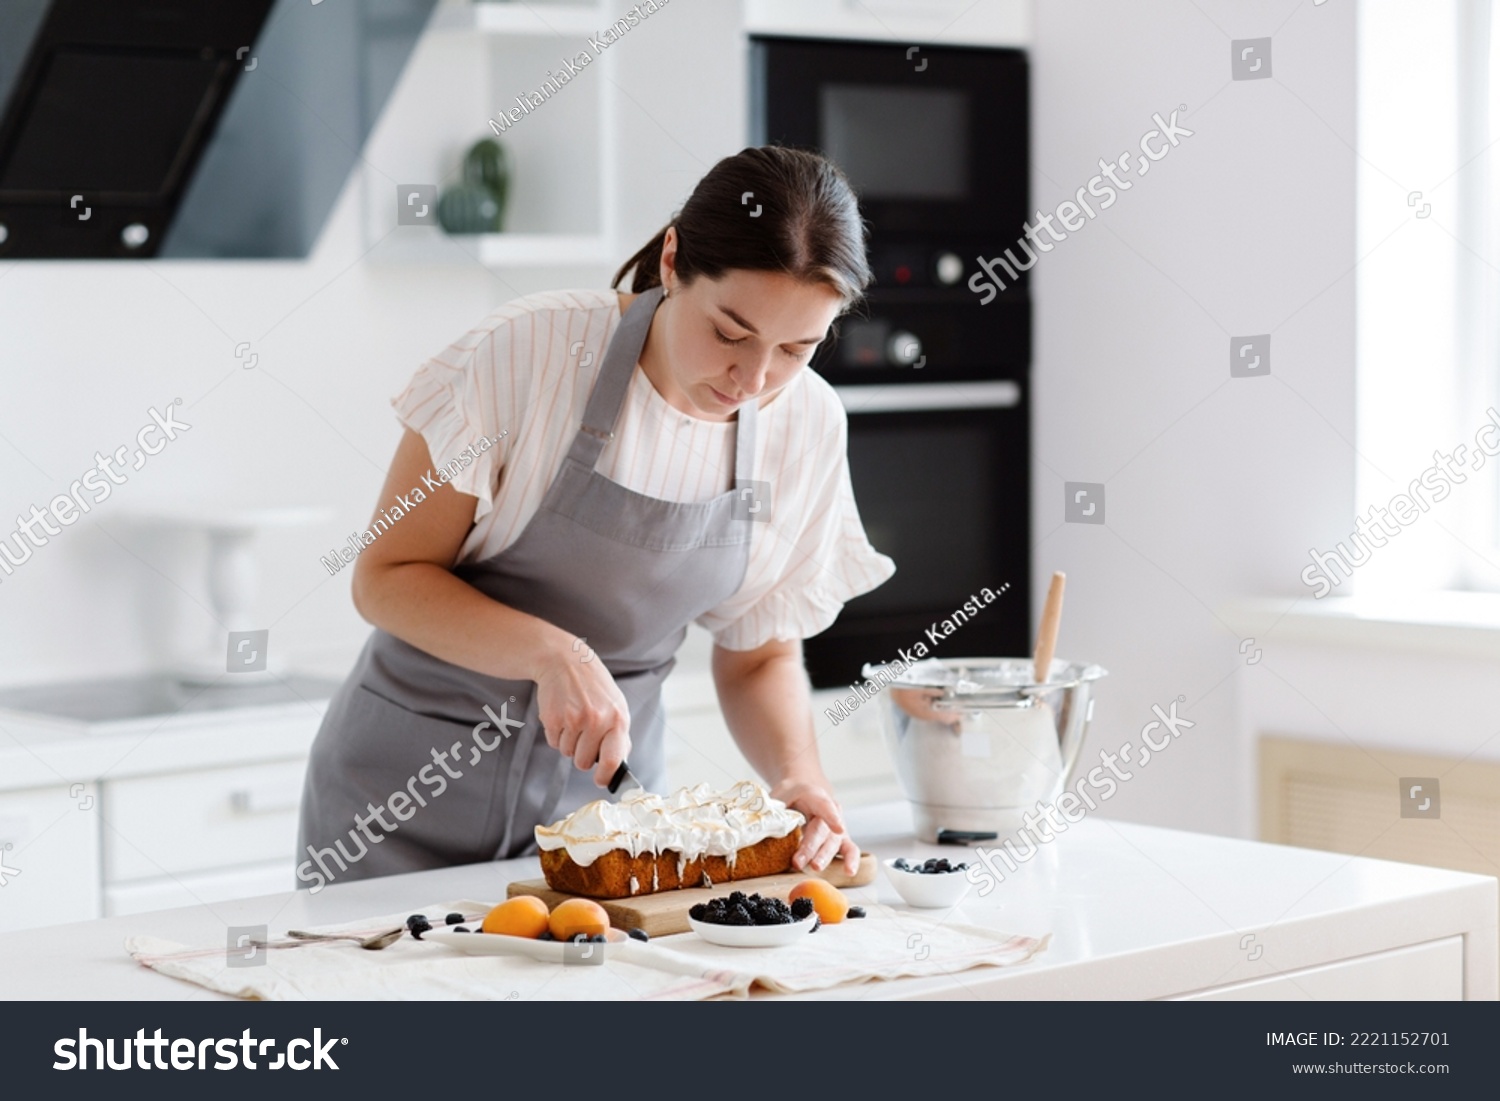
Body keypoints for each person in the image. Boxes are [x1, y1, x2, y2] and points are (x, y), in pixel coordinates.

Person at [295, 146, 894, 891]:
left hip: (602, 839)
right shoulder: (526, 356)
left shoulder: (804, 425)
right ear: (673, 260)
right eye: (730, 333)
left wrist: (798, 777)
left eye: (797, 348)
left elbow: (759, 653)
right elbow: (385, 578)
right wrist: (555, 654)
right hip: (394, 818)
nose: (754, 379)